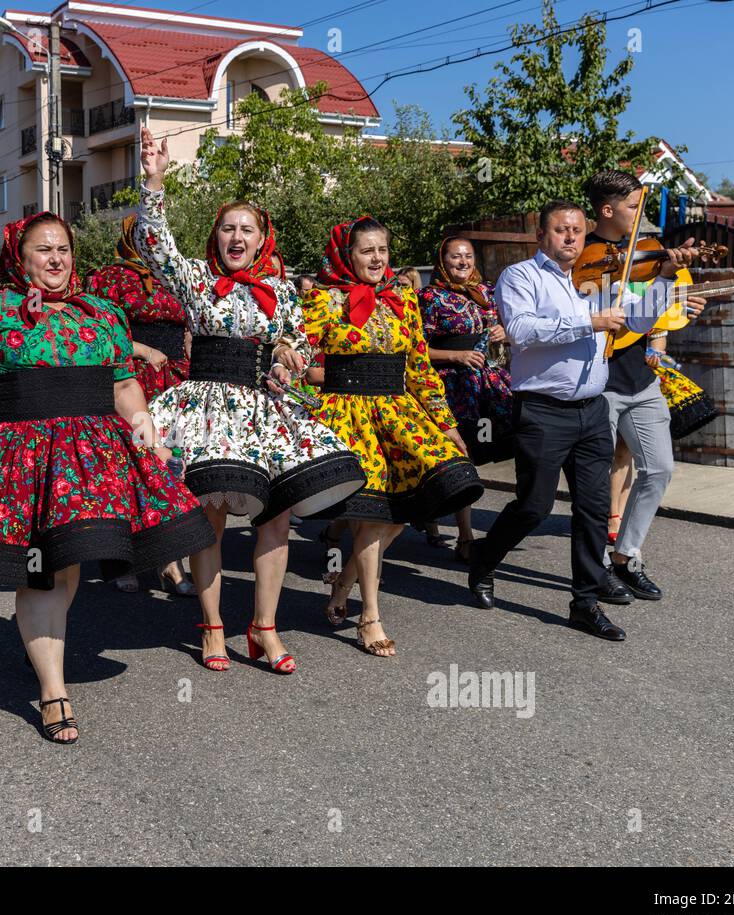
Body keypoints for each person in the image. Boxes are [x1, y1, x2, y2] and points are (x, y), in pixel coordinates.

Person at [0, 211, 215, 743]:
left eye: (63, 248)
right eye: (43, 249)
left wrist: (145, 430)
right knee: (38, 571)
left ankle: (44, 641)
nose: (56, 258)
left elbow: (124, 385)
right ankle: (53, 689)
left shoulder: (104, 314)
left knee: (66, 565)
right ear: (20, 256)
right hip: (19, 459)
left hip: (90, 461)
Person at [135, 128, 364, 674]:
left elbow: (299, 343)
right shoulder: (194, 279)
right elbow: (153, 243)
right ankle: (212, 626)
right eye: (227, 229)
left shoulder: (284, 290)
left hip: (264, 410)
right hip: (209, 410)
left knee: (277, 519)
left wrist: (288, 354)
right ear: (215, 237)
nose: (237, 237)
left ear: (263, 240)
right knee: (210, 519)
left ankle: (264, 628)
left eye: (247, 230)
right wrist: (154, 179)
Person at [466, 199, 694, 641]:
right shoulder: (520, 277)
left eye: (576, 230)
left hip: (592, 409)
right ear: (541, 235)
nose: (570, 238)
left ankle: (584, 602)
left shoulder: (595, 282)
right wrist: (590, 321)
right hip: (542, 409)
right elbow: (522, 330)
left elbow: (640, 321)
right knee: (533, 506)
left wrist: (665, 279)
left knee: (592, 510)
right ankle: (484, 558)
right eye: (560, 230)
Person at [304, 218, 482, 656]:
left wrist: (446, 424)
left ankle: (345, 579)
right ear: (348, 255)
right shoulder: (324, 299)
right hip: (349, 414)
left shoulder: (403, 299)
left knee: (413, 504)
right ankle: (371, 616)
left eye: (382, 250)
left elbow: (419, 367)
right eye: (367, 251)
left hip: (398, 413)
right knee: (374, 514)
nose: (377, 259)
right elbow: (302, 358)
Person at [584, 170, 706, 600]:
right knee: (597, 479)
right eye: (634, 207)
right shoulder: (583, 255)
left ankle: (625, 554)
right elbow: (606, 311)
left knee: (659, 468)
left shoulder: (652, 251)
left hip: (641, 378)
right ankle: (594, 568)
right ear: (607, 209)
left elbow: (647, 317)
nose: (640, 215)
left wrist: (674, 293)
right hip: (599, 380)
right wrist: (654, 285)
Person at [86, 213, 195, 596]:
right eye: (143, 237)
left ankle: (170, 562)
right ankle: (122, 559)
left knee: (172, 468)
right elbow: (96, 332)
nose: (150, 244)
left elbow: (188, 327)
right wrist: (144, 349)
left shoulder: (177, 277)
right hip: (129, 381)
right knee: (127, 469)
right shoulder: (107, 279)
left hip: (174, 381)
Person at [419, 237, 514, 561]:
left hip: (484, 384)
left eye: (468, 256)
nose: (463, 262)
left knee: (475, 455)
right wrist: (456, 355)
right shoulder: (431, 297)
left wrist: (504, 331)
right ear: (443, 260)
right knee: (457, 456)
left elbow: (501, 337)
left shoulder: (485, 292)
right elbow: (417, 350)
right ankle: (464, 535)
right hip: (448, 387)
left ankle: (451, 527)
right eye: (455, 256)